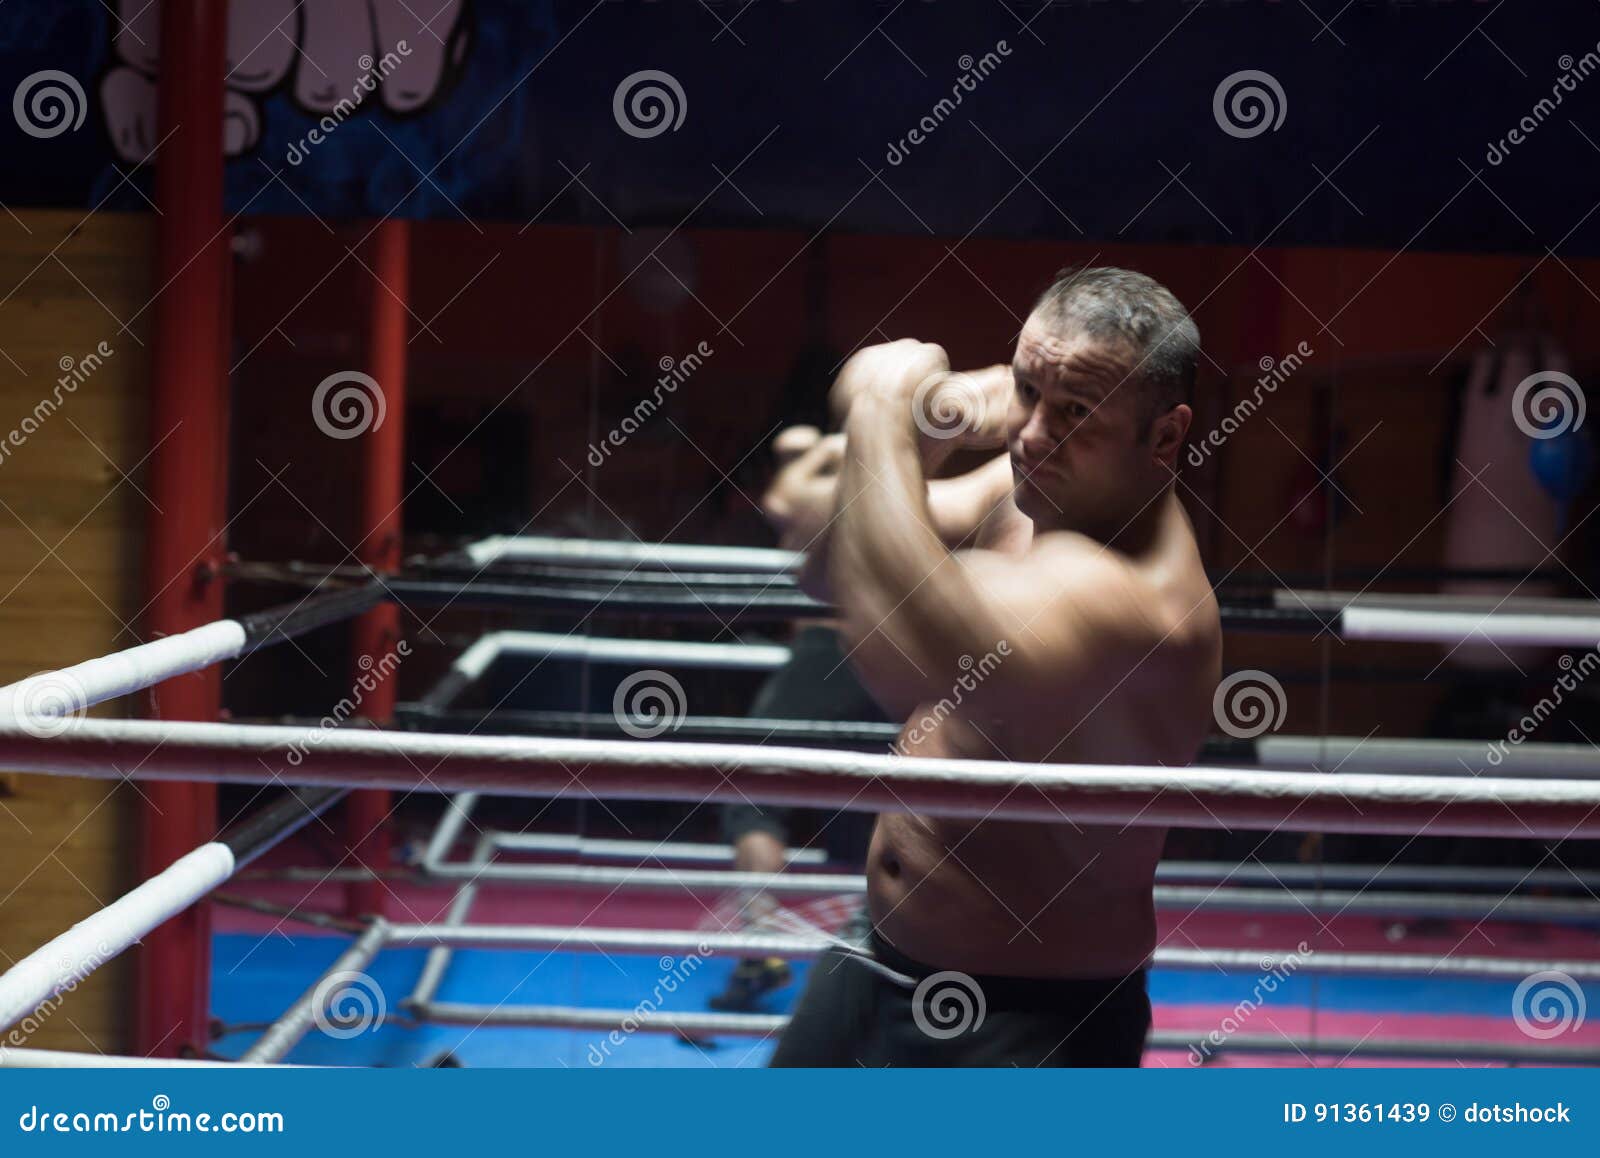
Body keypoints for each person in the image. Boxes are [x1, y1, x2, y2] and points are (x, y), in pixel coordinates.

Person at [769, 266, 1221, 1067]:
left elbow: (899, 656)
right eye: (1026, 391)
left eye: (1077, 412)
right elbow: (825, 551)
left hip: (1028, 1022)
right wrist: (928, 428)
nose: (1032, 435)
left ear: (1166, 435)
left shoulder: (1138, 600)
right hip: (876, 959)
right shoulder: (1032, 491)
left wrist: (881, 410)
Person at [710, 421, 1015, 1011]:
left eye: (798, 454)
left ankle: (761, 952)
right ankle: (876, 952)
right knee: (881, 801)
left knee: (749, 795)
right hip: (899, 661)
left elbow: (780, 500)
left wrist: (834, 446)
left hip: (829, 655)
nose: (790, 461)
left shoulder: (840, 490)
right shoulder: (901, 493)